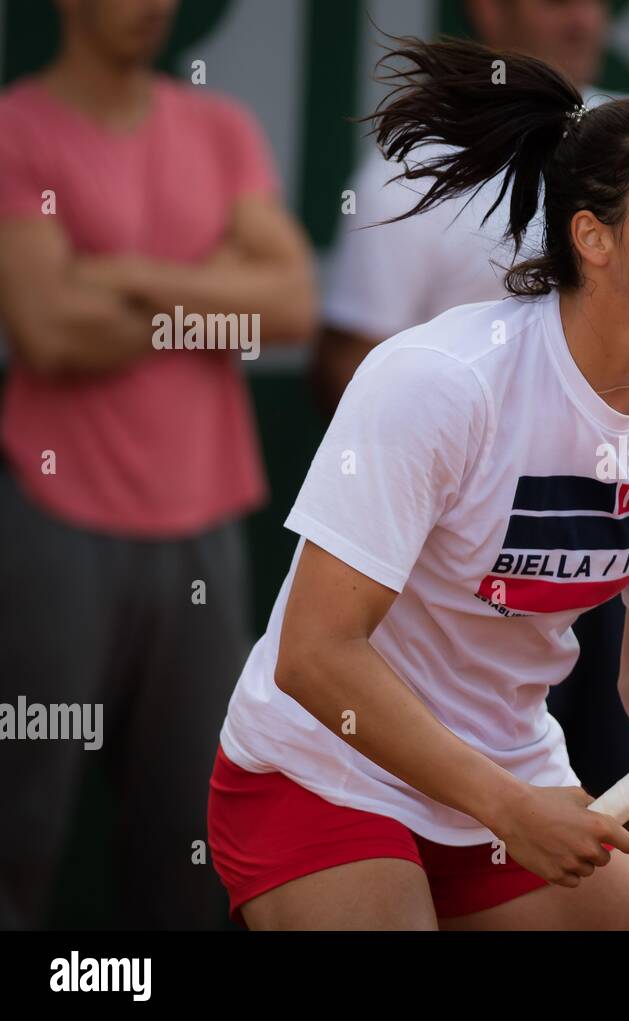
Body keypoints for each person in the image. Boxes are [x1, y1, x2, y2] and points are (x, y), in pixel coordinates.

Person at [207, 36, 629, 931]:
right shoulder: (441, 381)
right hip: (326, 770)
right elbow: (313, 656)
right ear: (592, 236)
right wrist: (505, 806)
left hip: (507, 775)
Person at [0, 0, 317, 928]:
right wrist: (219, 285)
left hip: (205, 520)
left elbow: (293, 302)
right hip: (53, 512)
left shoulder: (219, 128)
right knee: (20, 820)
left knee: (196, 831)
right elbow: (50, 330)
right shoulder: (17, 128)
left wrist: (122, 273)